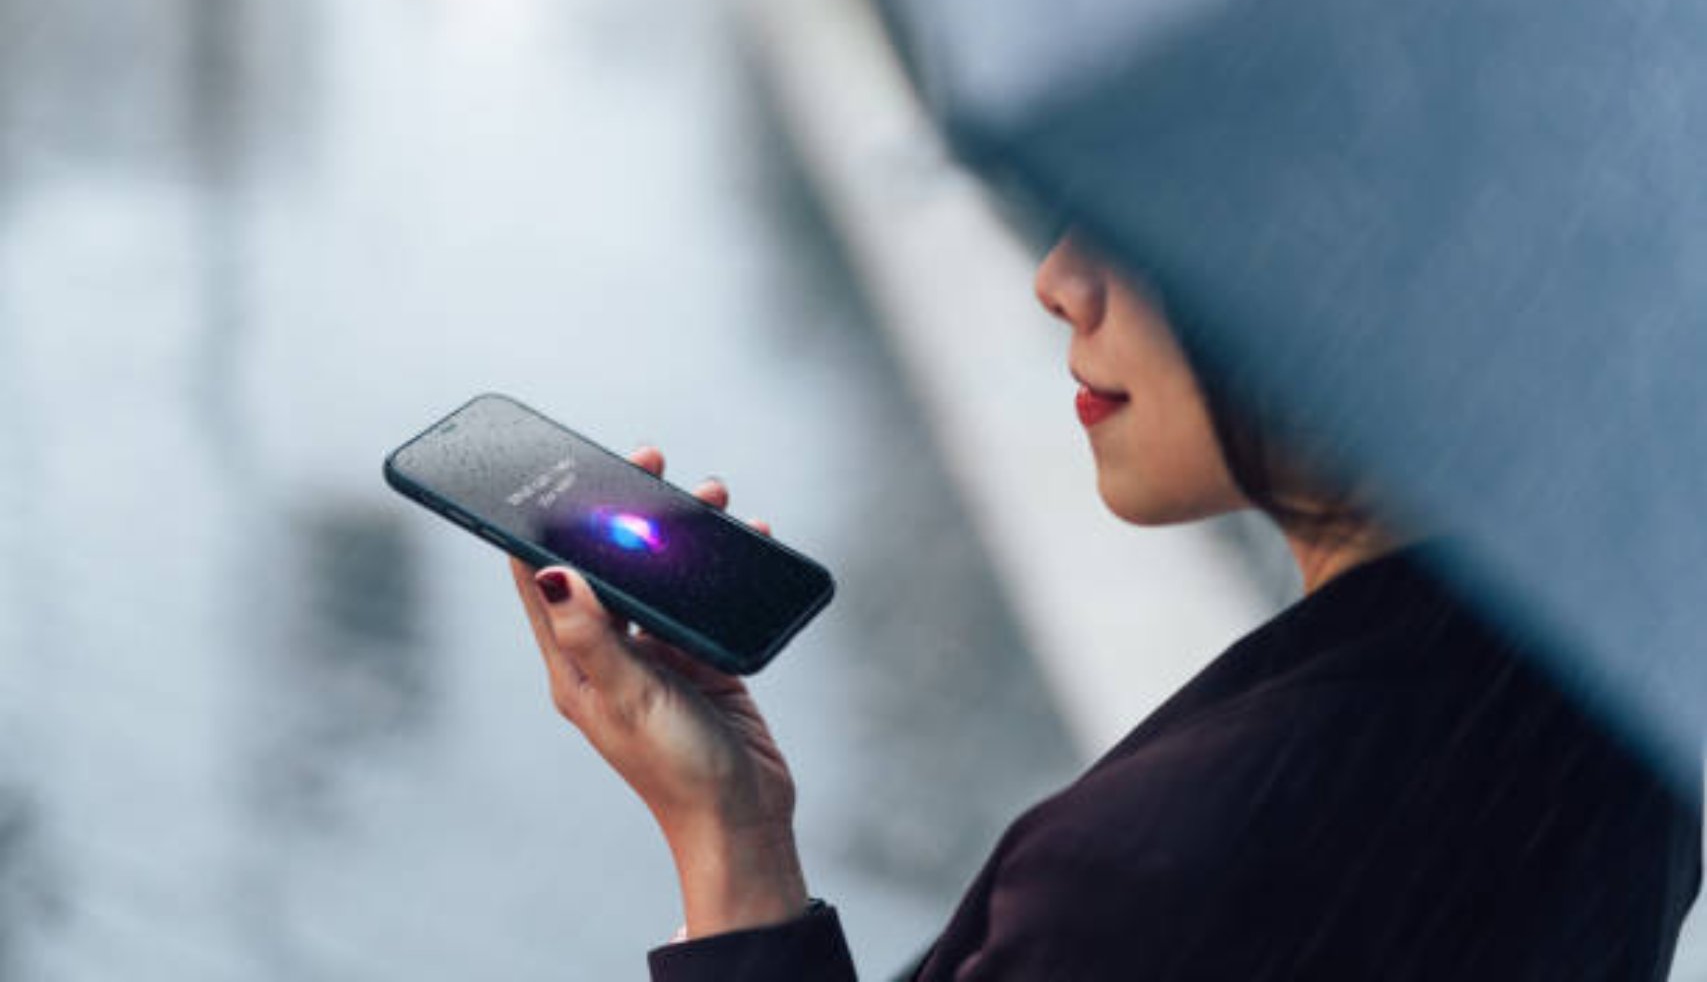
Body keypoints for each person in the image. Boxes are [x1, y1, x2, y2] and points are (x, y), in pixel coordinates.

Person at [509, 231, 1702, 979]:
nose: (1062, 279)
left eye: (1149, 229)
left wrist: (719, 856)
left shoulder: (1155, 874)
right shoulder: (1602, 688)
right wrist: (739, 833)